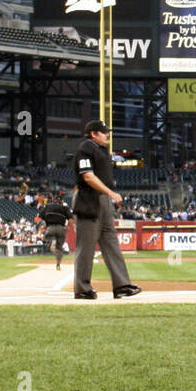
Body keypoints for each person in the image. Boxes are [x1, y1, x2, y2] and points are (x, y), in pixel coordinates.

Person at [72, 120, 140, 300]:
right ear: (93, 134)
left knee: (111, 243)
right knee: (86, 246)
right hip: (89, 199)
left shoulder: (101, 150)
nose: (107, 134)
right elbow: (87, 176)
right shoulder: (85, 148)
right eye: (103, 132)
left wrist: (108, 195)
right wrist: (110, 192)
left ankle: (121, 285)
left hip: (103, 200)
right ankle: (82, 288)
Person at [38, 191, 72, 271]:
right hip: (61, 228)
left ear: (54, 199)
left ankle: (52, 242)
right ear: (61, 201)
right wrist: (68, 226)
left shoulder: (48, 207)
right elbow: (70, 220)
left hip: (50, 228)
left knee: (48, 237)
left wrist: (42, 227)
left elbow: (40, 218)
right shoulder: (64, 208)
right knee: (59, 248)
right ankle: (58, 264)